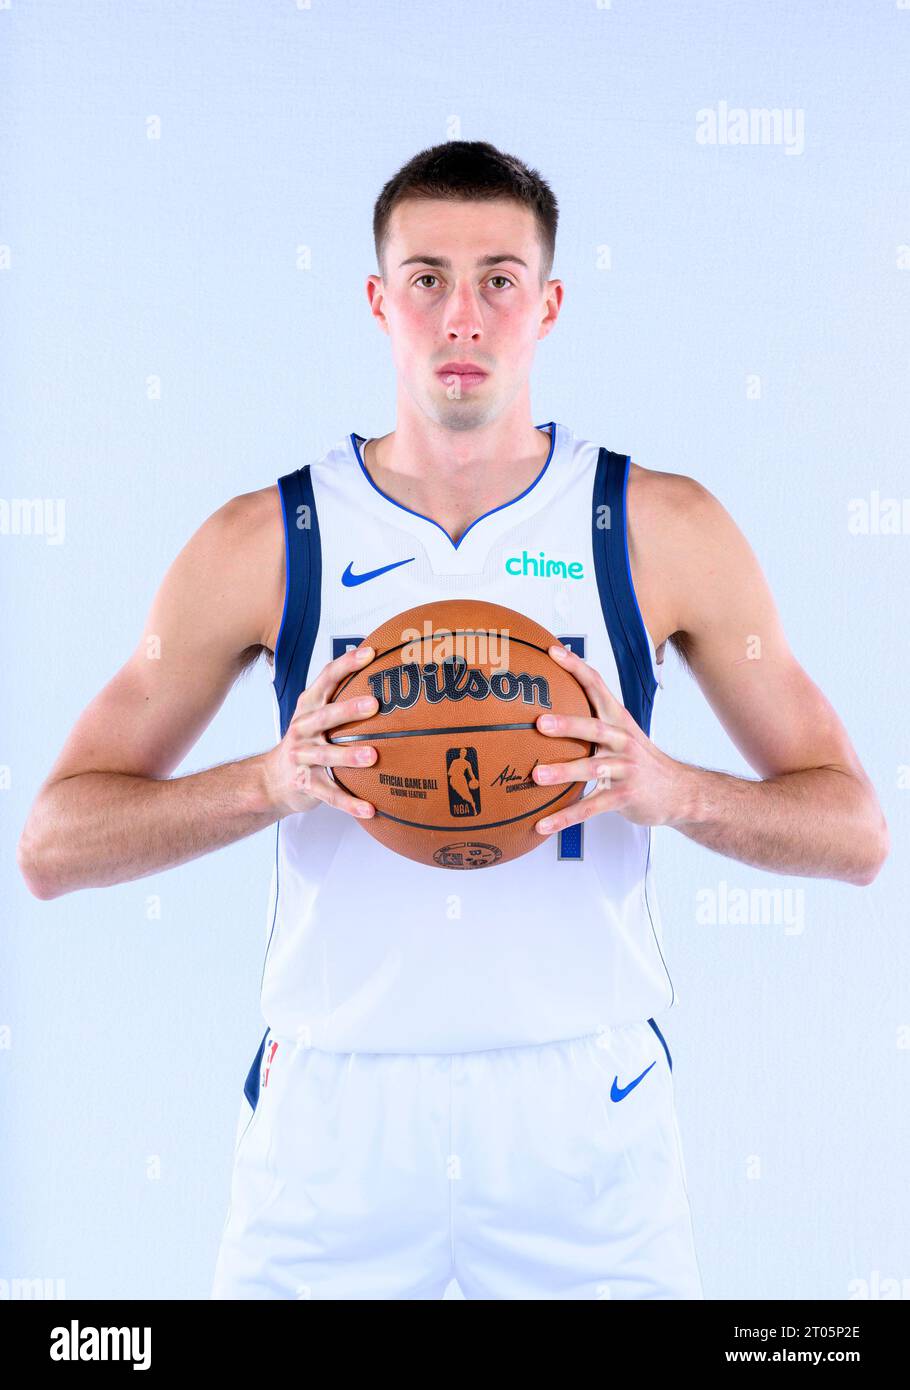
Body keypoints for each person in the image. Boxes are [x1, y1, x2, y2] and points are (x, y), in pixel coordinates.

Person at [17, 141, 889, 1300]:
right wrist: (267, 781)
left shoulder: (654, 526)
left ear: (550, 304)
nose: (462, 316)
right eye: (426, 278)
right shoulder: (271, 539)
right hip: (333, 1120)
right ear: (380, 302)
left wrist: (668, 787)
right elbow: (51, 845)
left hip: (584, 1119)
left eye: (498, 279)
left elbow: (856, 831)